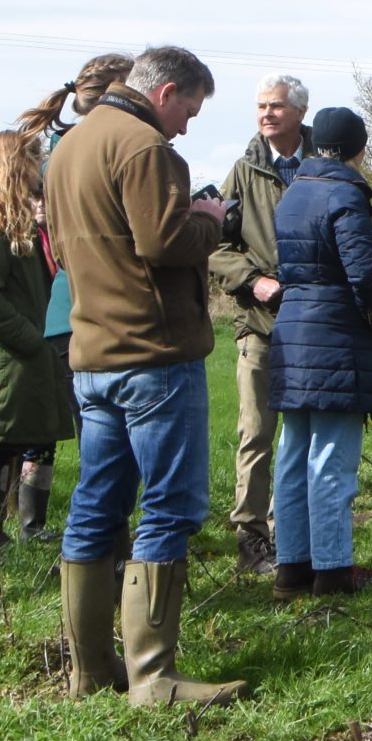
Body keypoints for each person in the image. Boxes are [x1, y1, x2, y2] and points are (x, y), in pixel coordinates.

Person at [44, 45, 245, 705]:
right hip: (153, 353)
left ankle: (88, 671)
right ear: (165, 94)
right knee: (168, 504)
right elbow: (163, 243)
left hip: (92, 351)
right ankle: (154, 678)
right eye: (189, 110)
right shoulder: (144, 146)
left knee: (95, 505)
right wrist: (208, 222)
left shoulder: (70, 146)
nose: (186, 126)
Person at [264, 106, 372, 599]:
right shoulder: (346, 193)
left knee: (294, 454)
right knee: (332, 457)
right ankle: (333, 570)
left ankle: (292, 567)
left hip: (291, 329)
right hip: (334, 332)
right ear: (359, 149)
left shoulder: (293, 191)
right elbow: (361, 272)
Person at [16, 53, 132, 537]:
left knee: (98, 441)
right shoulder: (98, 147)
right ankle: (100, 547)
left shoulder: (61, 148)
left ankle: (97, 545)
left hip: (66, 312)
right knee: (105, 446)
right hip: (93, 309)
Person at [210, 73, 310, 577]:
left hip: (313, 324)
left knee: (303, 436)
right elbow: (215, 245)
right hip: (259, 322)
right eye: (261, 106)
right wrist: (254, 281)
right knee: (256, 433)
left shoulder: (323, 164)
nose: (266, 114)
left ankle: (291, 534)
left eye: (276, 106)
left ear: (300, 112)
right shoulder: (243, 170)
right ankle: (251, 540)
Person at [0, 131, 72, 552]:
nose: (40, 169)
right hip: (6, 354)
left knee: (10, 445)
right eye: (34, 159)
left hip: (22, 353)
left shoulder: (17, 216)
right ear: (16, 163)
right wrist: (30, 340)